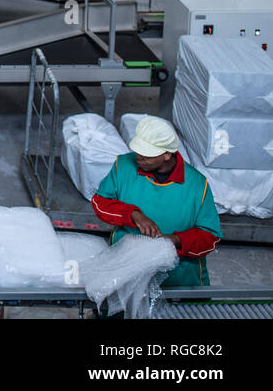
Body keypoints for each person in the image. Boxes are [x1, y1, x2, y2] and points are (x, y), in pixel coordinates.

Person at [91, 115, 222, 287]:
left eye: (147, 154)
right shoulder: (122, 166)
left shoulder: (197, 185)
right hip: (126, 269)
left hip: (180, 277)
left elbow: (210, 236)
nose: (139, 157)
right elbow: (100, 202)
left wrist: (174, 240)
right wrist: (134, 215)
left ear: (167, 154)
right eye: (139, 151)